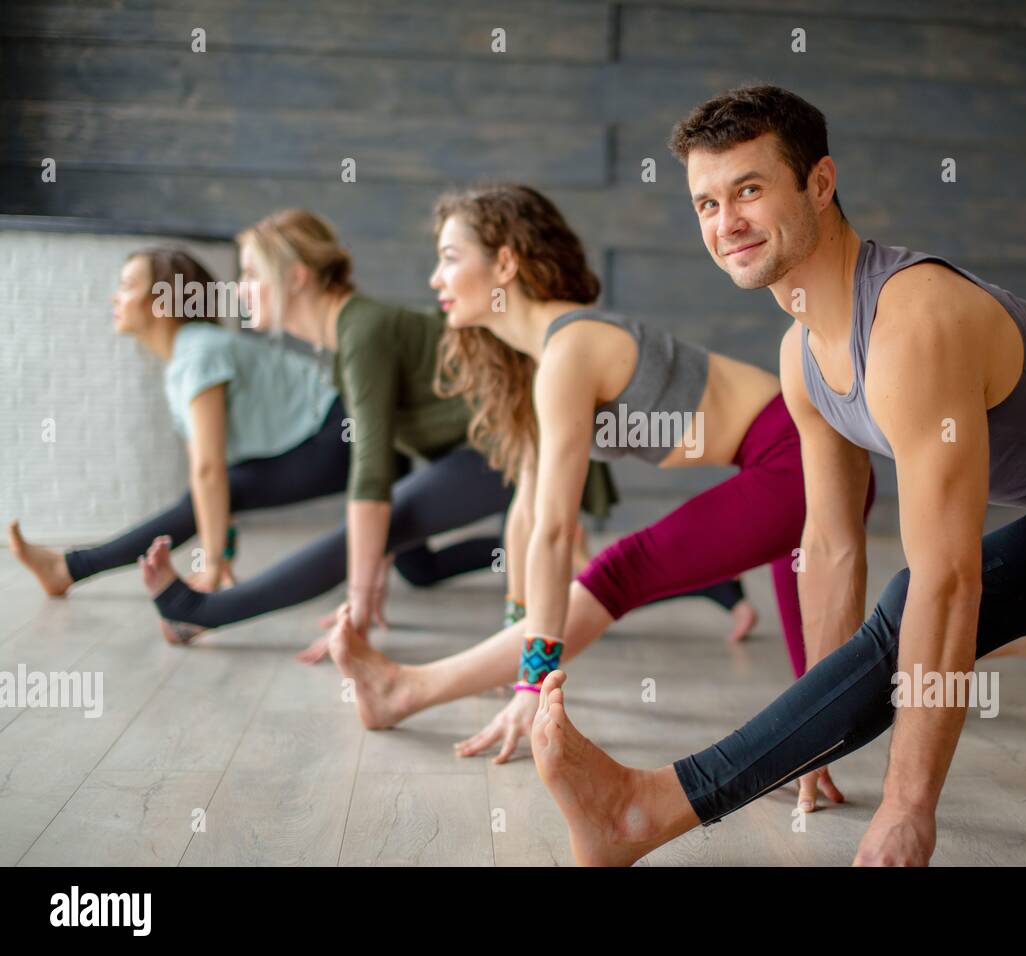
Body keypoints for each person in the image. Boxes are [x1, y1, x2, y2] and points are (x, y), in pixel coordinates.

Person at [524, 84, 1026, 865]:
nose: (727, 224)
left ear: (819, 184)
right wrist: (810, 737)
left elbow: (949, 582)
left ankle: (647, 809)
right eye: (706, 203)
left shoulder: (910, 323)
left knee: (915, 593)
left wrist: (905, 804)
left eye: (749, 190)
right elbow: (828, 547)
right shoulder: (801, 358)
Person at [327, 185, 1026, 777]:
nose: (435, 278)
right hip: (777, 463)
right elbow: (526, 514)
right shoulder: (544, 360)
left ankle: (408, 689)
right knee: (829, 680)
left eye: (451, 255)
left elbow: (558, 529)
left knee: (619, 570)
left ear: (508, 262)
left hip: (792, 455)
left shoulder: (571, 350)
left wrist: (532, 676)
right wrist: (521, 628)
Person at [138, 209, 744, 661]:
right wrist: (372, 571)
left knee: (388, 525)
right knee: (425, 565)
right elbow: (395, 459)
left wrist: (356, 592)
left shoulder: (361, 331)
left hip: (503, 447)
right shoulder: (349, 335)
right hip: (488, 445)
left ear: (295, 276)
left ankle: (206, 612)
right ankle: (713, 581)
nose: (238, 290)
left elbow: (372, 480)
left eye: (249, 274)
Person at [8, 247, 348, 596]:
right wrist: (222, 556)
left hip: (345, 431)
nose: (115, 297)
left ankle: (67, 569)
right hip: (339, 437)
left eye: (126, 286)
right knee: (409, 560)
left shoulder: (198, 354)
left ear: (162, 301)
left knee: (219, 486)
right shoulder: (187, 358)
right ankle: (66, 569)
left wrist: (213, 565)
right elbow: (214, 480)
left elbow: (209, 472)